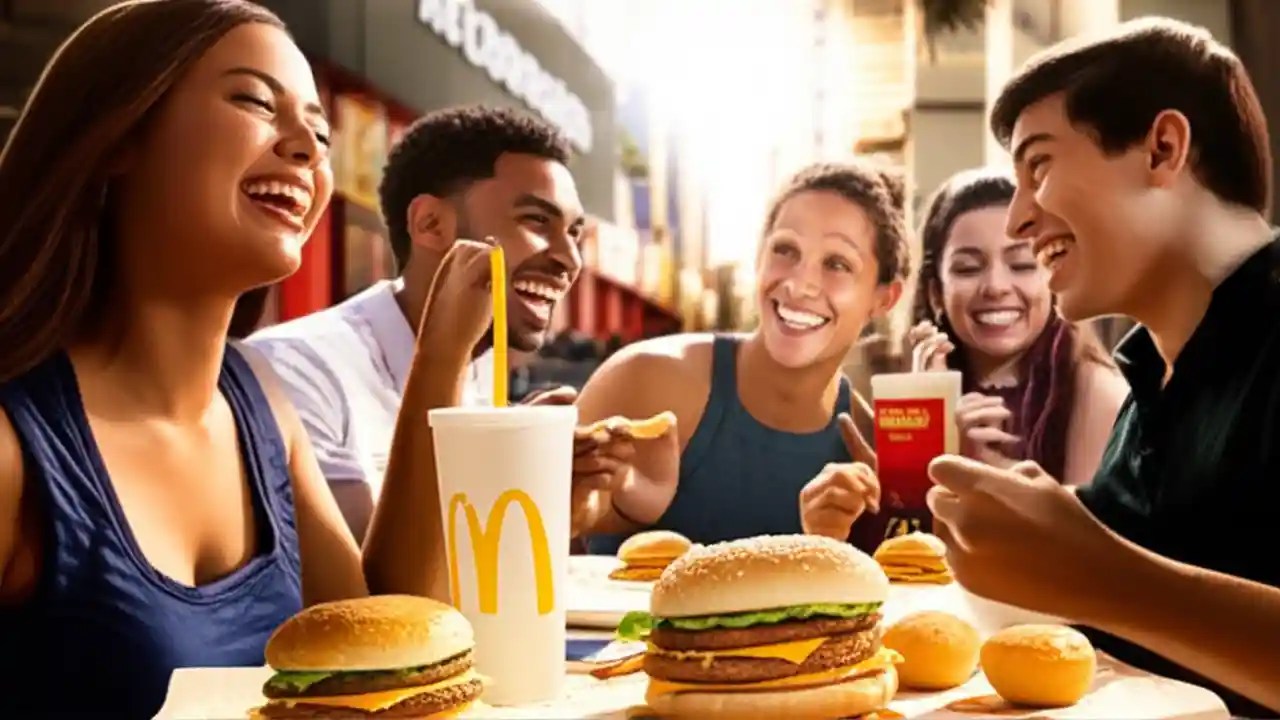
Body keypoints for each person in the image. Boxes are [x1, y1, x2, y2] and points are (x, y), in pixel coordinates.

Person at [0, 2, 583, 716]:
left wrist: (439, 354)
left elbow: (387, 651)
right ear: (120, 133)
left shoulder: (262, 407)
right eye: (253, 100)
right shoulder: (15, 448)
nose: (306, 148)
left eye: (318, 130)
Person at [927, 18, 1280, 715]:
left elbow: (1111, 586)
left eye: (1040, 167)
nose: (1018, 222)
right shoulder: (1150, 382)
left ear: (1163, 148)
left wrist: (1106, 579)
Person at [248, 106, 621, 542]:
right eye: (537, 220)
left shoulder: (483, 374)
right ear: (430, 224)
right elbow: (367, 596)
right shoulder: (297, 370)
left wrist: (551, 501)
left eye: (574, 233)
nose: (569, 259)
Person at [576, 161, 909, 553]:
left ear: (883, 298)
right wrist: (621, 508)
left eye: (837, 264)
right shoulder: (647, 380)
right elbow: (527, 526)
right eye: (785, 250)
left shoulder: (870, 448)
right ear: (759, 258)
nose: (800, 284)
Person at [907, 168, 1127, 486]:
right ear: (935, 292)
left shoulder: (1095, 391)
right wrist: (924, 417)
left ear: (1055, 275)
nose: (996, 287)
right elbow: (903, 526)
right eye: (968, 268)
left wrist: (981, 465)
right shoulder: (922, 381)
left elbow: (1087, 530)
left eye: (1022, 265)